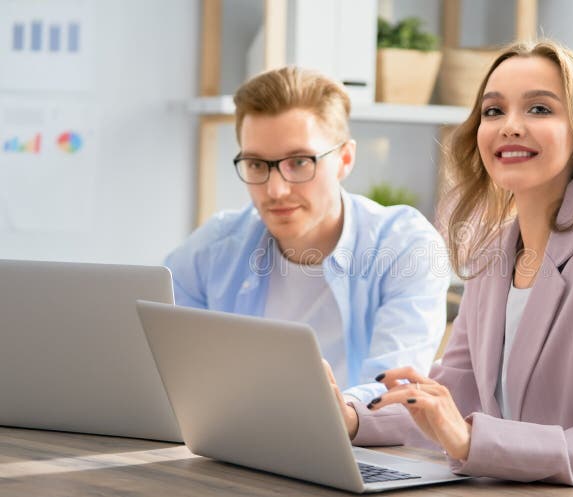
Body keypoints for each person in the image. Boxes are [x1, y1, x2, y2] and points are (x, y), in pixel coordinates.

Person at [331, 40, 573, 496]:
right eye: (493, 111)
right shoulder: (494, 251)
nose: (510, 127)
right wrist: (350, 419)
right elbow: (457, 391)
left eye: (539, 109)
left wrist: (469, 438)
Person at [165, 67, 449, 403]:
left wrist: (335, 420)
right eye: (257, 164)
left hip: (358, 448)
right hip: (233, 443)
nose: (276, 190)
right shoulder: (216, 245)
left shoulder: (403, 246)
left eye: (299, 162)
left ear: (345, 159)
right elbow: (158, 360)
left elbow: (394, 393)